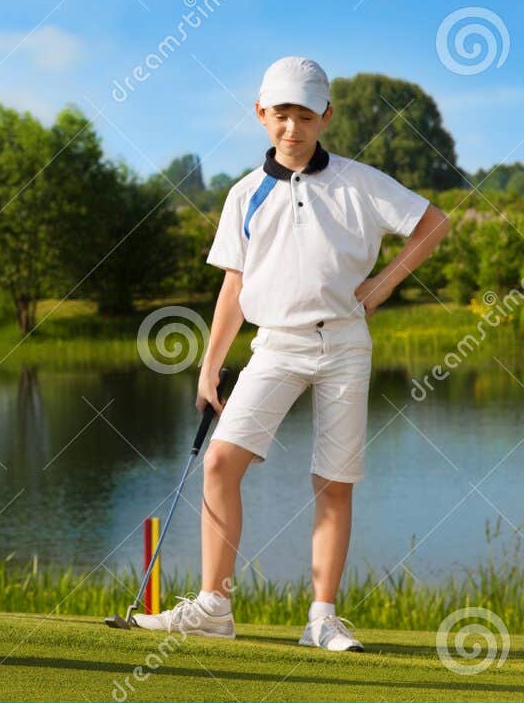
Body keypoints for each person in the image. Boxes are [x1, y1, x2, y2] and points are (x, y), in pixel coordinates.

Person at [135, 56, 450, 650]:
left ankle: (322, 619)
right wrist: (209, 364)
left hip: (344, 344)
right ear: (261, 115)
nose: (292, 128)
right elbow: (234, 285)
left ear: (325, 117)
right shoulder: (243, 195)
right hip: (274, 345)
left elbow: (434, 224)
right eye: (281, 115)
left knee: (333, 481)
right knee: (220, 463)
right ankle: (214, 605)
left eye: (305, 116)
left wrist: (381, 285)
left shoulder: (360, 181)